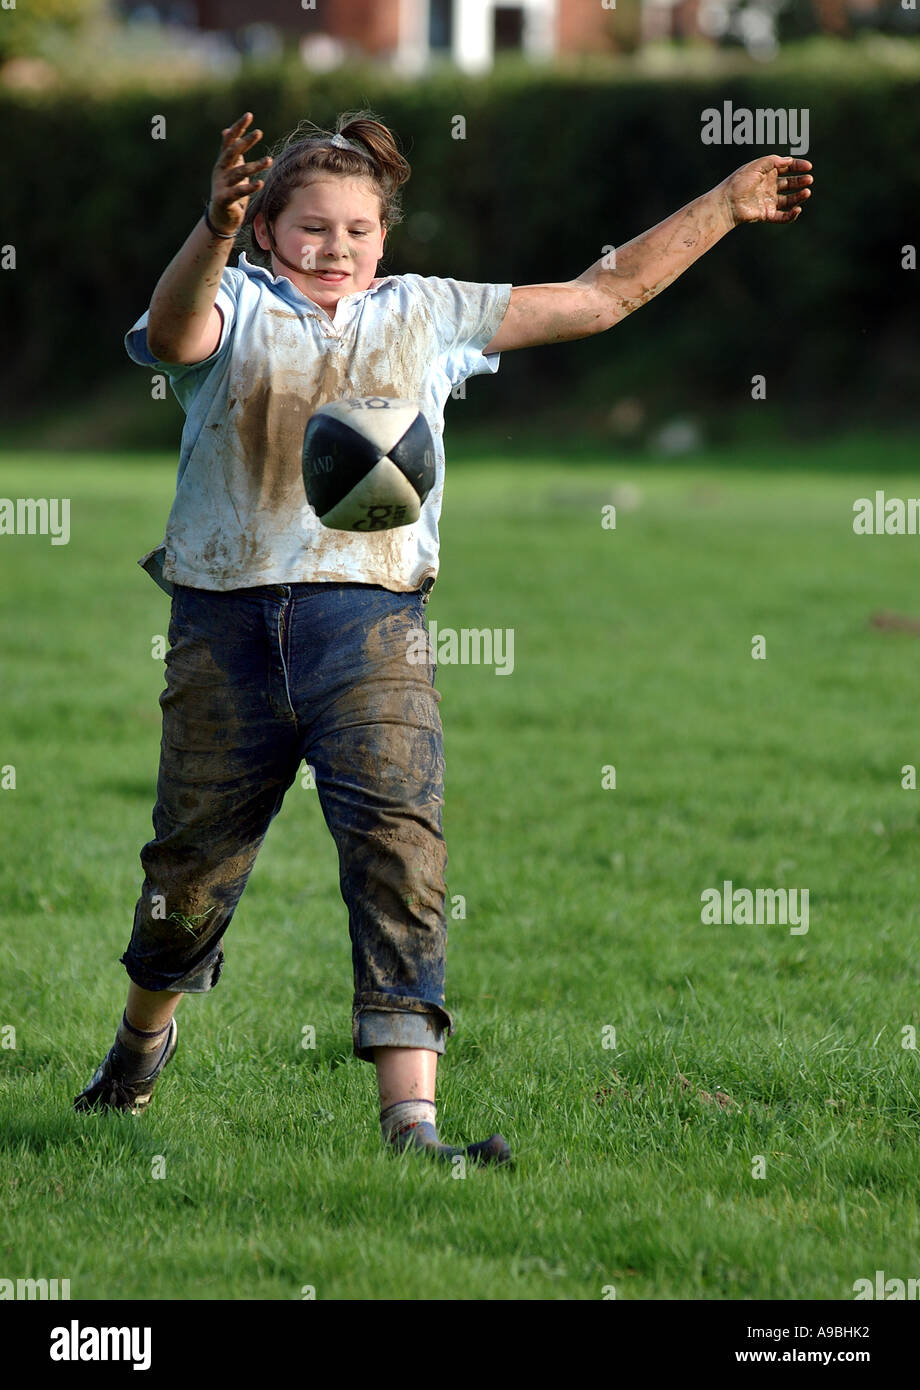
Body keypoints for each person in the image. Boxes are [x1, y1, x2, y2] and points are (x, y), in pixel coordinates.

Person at [73, 109, 813, 1167]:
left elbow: (601, 296)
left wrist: (727, 205)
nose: (336, 248)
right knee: (188, 873)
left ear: (386, 235)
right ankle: (141, 1045)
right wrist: (211, 229)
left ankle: (410, 1126)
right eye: (311, 228)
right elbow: (179, 330)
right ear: (268, 227)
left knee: (401, 855)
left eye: (359, 229)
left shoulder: (427, 312)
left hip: (370, 626)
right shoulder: (231, 300)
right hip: (222, 627)